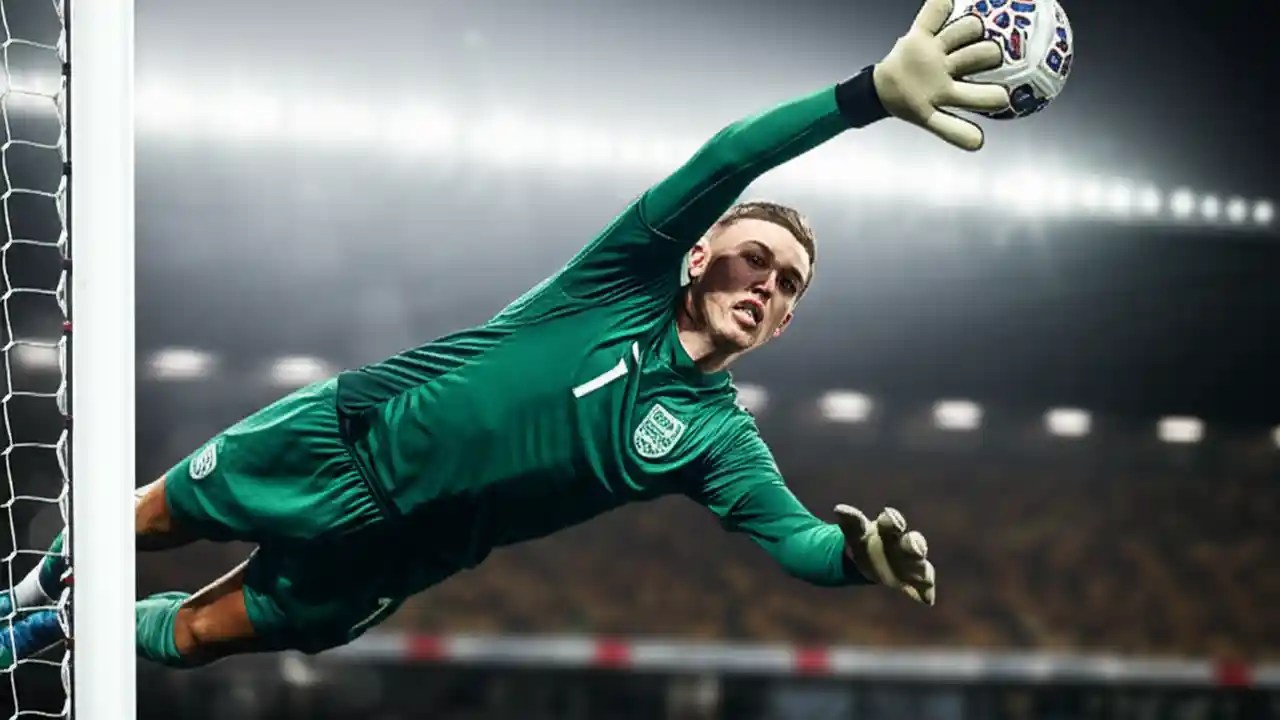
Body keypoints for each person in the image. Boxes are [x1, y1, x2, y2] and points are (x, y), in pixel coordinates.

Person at [2, 0, 1008, 669]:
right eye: (752, 256)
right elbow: (726, 156)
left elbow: (786, 533)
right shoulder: (617, 280)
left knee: (190, 637)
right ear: (697, 257)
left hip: (402, 553)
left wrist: (848, 560)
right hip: (342, 438)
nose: (766, 281)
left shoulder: (716, 439)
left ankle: (56, 626)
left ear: (784, 323)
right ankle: (42, 583)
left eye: (788, 284)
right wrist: (866, 96)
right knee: (148, 521)